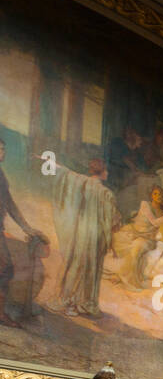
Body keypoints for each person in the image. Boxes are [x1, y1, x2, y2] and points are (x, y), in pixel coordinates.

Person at [48, 156, 119, 319]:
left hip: (80, 232)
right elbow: (113, 221)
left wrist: (50, 162)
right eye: (106, 170)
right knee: (90, 268)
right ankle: (81, 302)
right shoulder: (106, 193)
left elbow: (65, 173)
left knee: (76, 265)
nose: (107, 173)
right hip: (95, 236)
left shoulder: (82, 182)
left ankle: (69, 301)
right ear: (102, 172)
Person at [0, 138, 45, 325]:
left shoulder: (1, 175)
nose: (3, 153)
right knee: (5, 268)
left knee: (5, 269)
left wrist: (26, 227)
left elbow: (9, 204)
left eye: (3, 149)